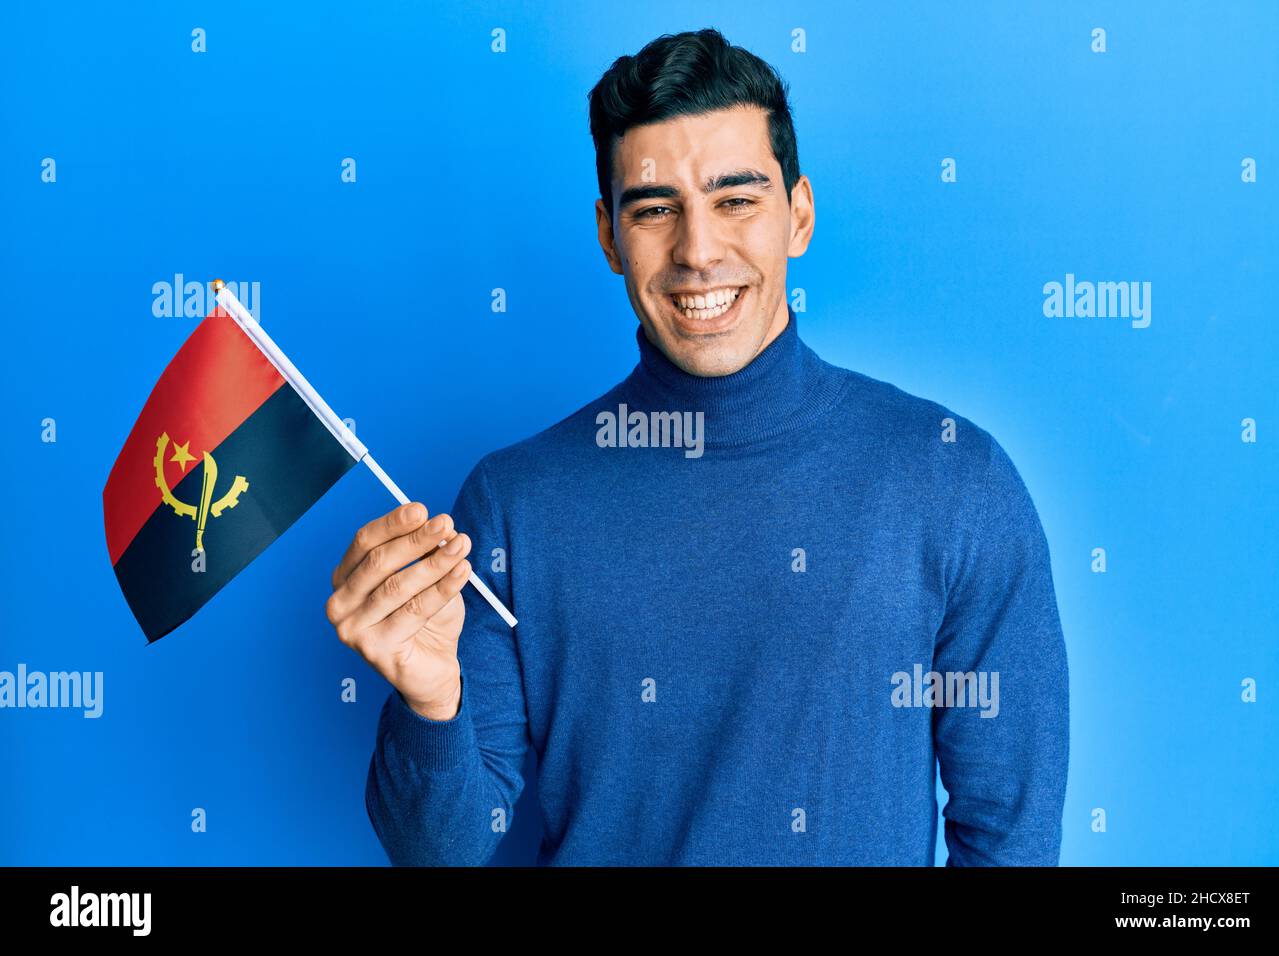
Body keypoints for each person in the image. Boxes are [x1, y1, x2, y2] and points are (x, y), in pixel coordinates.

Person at [326, 28, 1069, 866]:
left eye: (736, 199)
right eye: (655, 209)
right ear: (610, 237)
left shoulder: (953, 479)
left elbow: (1010, 835)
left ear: (799, 215)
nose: (697, 251)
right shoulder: (512, 503)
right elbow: (444, 851)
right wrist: (429, 704)